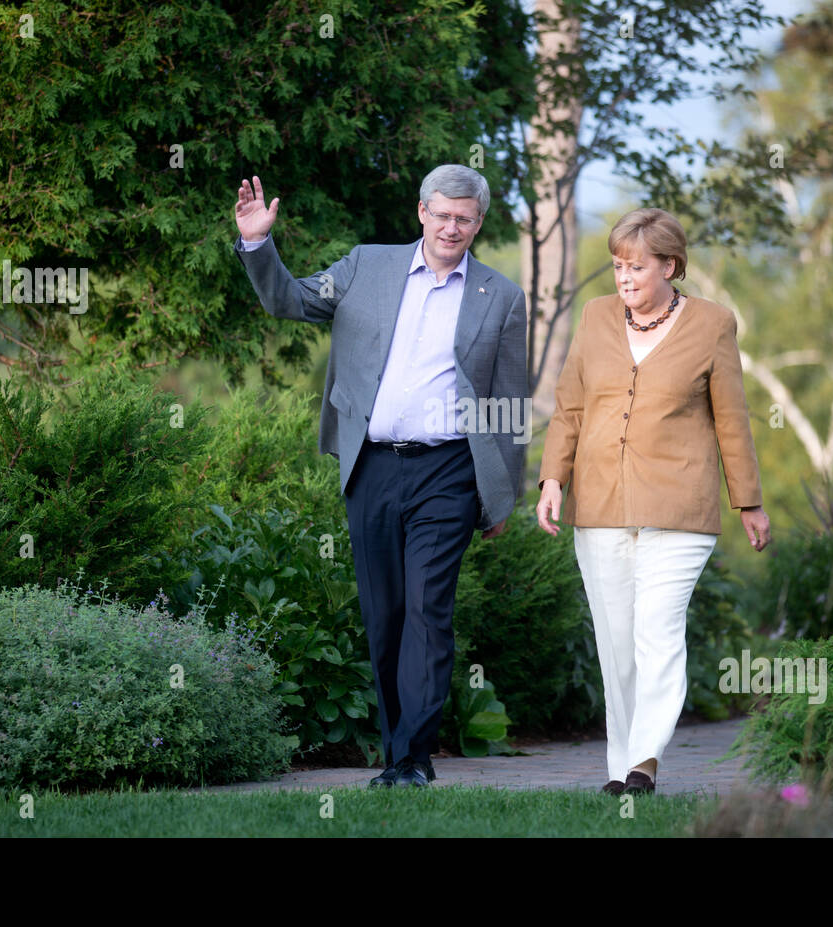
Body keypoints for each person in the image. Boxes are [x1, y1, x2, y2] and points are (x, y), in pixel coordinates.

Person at [233, 165, 529, 788]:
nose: (452, 227)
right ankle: (395, 756)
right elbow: (290, 300)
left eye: (465, 219)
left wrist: (502, 494)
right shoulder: (366, 266)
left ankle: (415, 760)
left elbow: (508, 402)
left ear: (479, 223)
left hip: (449, 471)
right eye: (442, 215)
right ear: (421, 211)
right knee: (385, 613)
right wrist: (259, 244)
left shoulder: (499, 295)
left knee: (428, 609)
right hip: (371, 464)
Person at [535, 207, 771, 796]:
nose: (624, 277)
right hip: (601, 507)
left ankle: (645, 762)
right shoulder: (594, 318)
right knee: (616, 645)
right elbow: (569, 405)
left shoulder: (713, 324)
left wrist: (749, 502)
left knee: (657, 633)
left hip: (679, 510)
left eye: (637, 266)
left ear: (670, 265)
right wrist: (552, 479)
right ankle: (621, 770)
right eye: (618, 265)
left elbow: (733, 419)